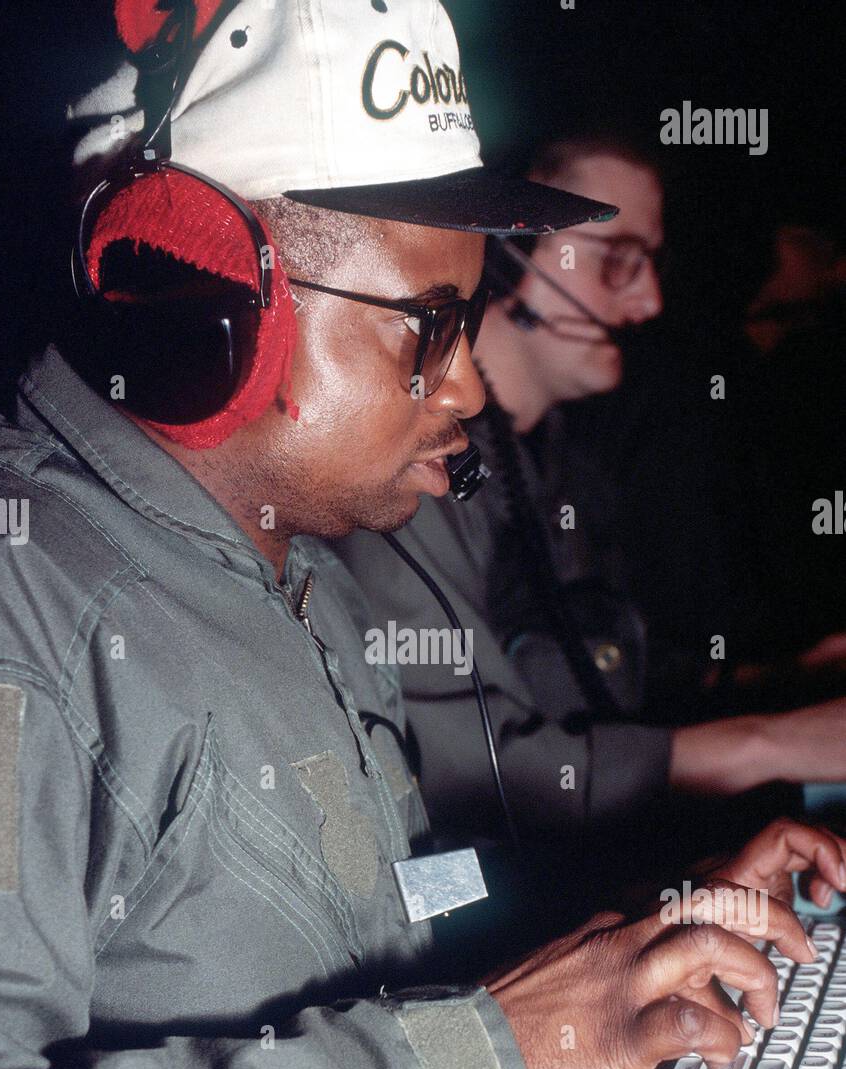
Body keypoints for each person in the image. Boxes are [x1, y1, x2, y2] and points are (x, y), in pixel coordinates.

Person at [0, 1, 841, 1069]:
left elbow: (395, 905)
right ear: (212, 298)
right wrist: (493, 1053)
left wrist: (645, 922)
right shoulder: (22, 616)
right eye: (429, 325)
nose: (464, 389)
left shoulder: (293, 571)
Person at [336, 134, 846, 879]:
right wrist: (763, 743)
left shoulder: (553, 455)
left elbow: (588, 667)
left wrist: (778, 680)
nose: (649, 302)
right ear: (506, 258)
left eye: (651, 264)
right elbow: (477, 775)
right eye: (618, 262)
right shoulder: (411, 475)